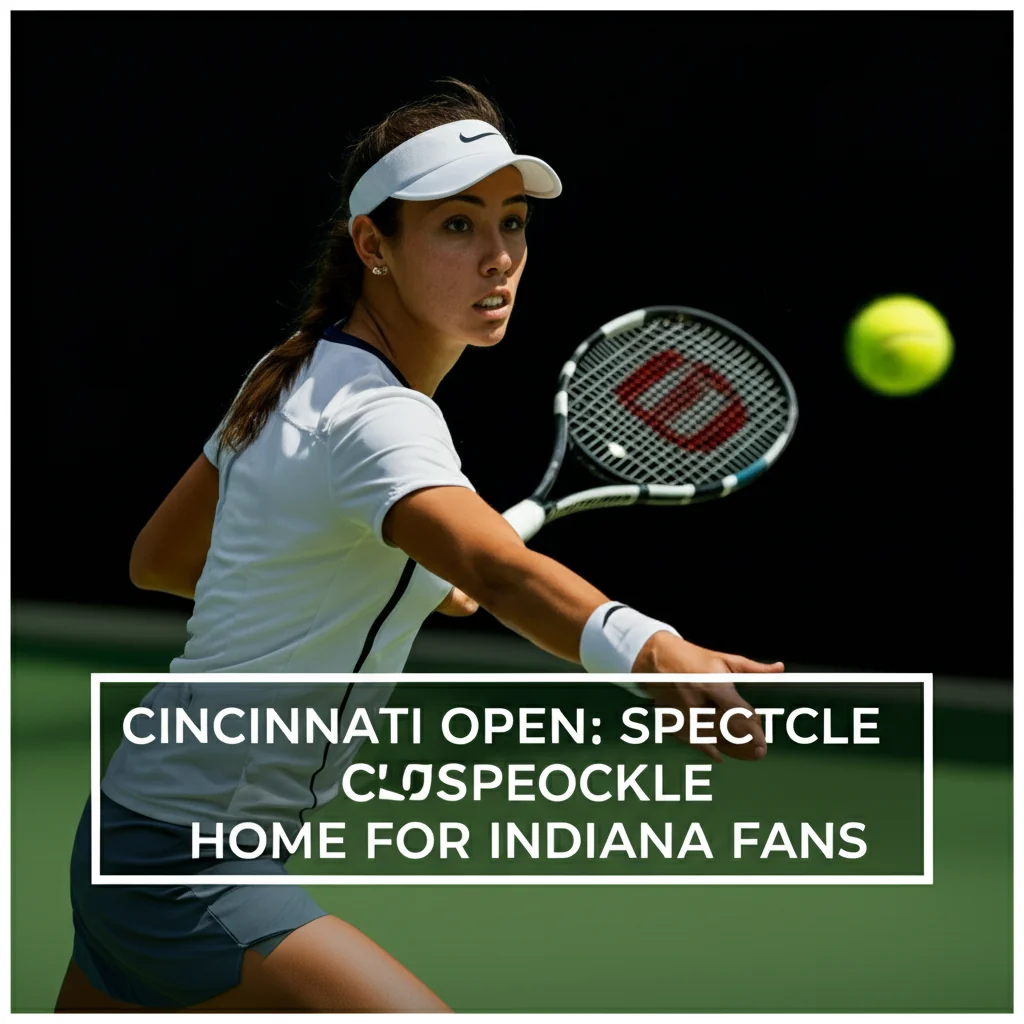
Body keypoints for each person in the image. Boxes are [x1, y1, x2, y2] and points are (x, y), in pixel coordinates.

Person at [55, 80, 784, 1013]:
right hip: (187, 861)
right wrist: (649, 647)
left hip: (129, 818)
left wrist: (371, 575)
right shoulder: (383, 421)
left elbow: (159, 559)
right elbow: (494, 566)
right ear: (374, 247)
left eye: (514, 224)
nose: (498, 259)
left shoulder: (295, 369)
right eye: (456, 227)